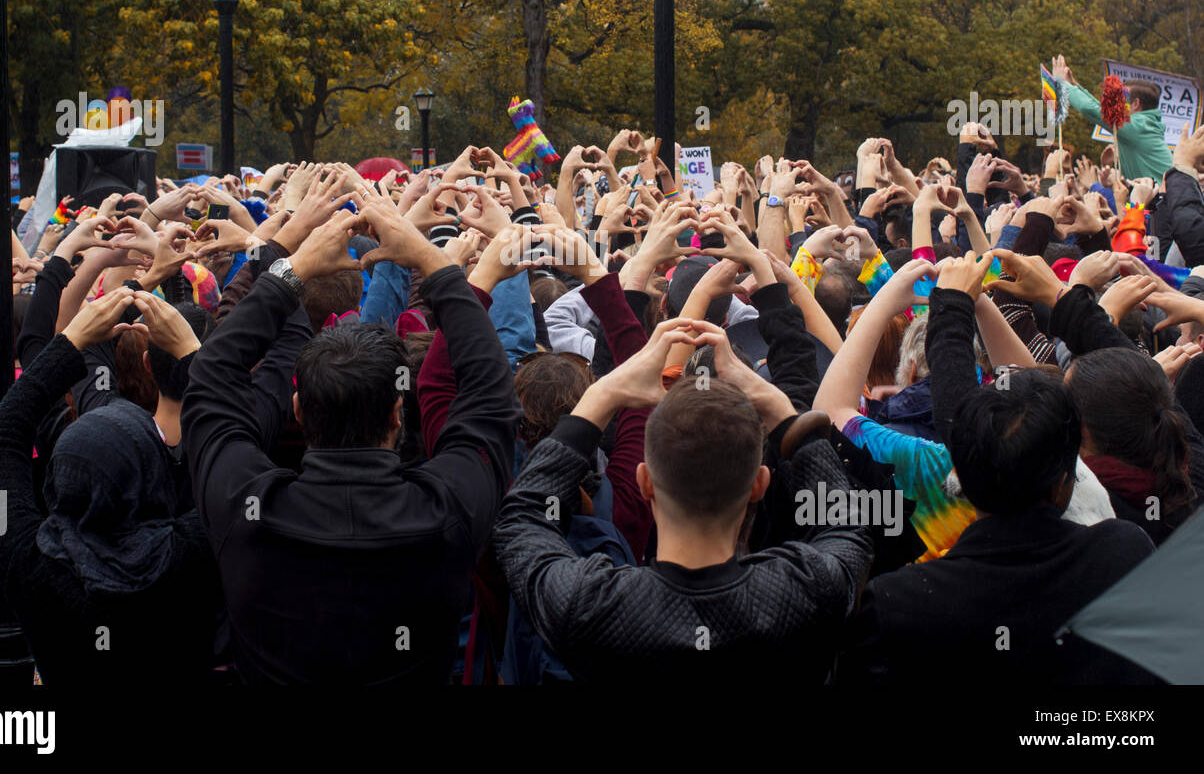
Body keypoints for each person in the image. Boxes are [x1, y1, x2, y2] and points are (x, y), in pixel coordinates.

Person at [180, 194, 521, 683]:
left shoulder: (245, 506)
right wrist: (431, 260)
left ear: (298, 409)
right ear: (397, 415)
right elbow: (490, 393)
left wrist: (287, 267)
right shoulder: (448, 510)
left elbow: (210, 378)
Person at [494, 318, 871, 683]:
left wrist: (600, 396)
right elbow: (848, 522)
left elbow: (523, 517)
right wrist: (780, 409)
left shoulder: (587, 606)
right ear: (759, 484)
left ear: (645, 482)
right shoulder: (809, 593)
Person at [839, 253, 1159, 684]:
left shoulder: (898, 603)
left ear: (960, 476)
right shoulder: (1124, 553)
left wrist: (906, 304)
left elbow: (831, 412)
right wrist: (974, 302)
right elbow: (1044, 412)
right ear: (1067, 483)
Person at [0, 288, 224, 684]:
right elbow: (235, 449)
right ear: (157, 473)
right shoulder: (191, 548)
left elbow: (1, 439)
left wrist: (70, 342)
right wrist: (195, 355)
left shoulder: (28, 561)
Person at [1054, 54, 1172, 182]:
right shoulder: (1142, 124)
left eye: (1121, 97)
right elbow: (1099, 108)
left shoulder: (1139, 126)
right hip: (1143, 200)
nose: (1116, 102)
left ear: (1136, 104)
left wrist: (1062, 84)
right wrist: (1074, 85)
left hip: (1157, 200)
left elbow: (1090, 109)